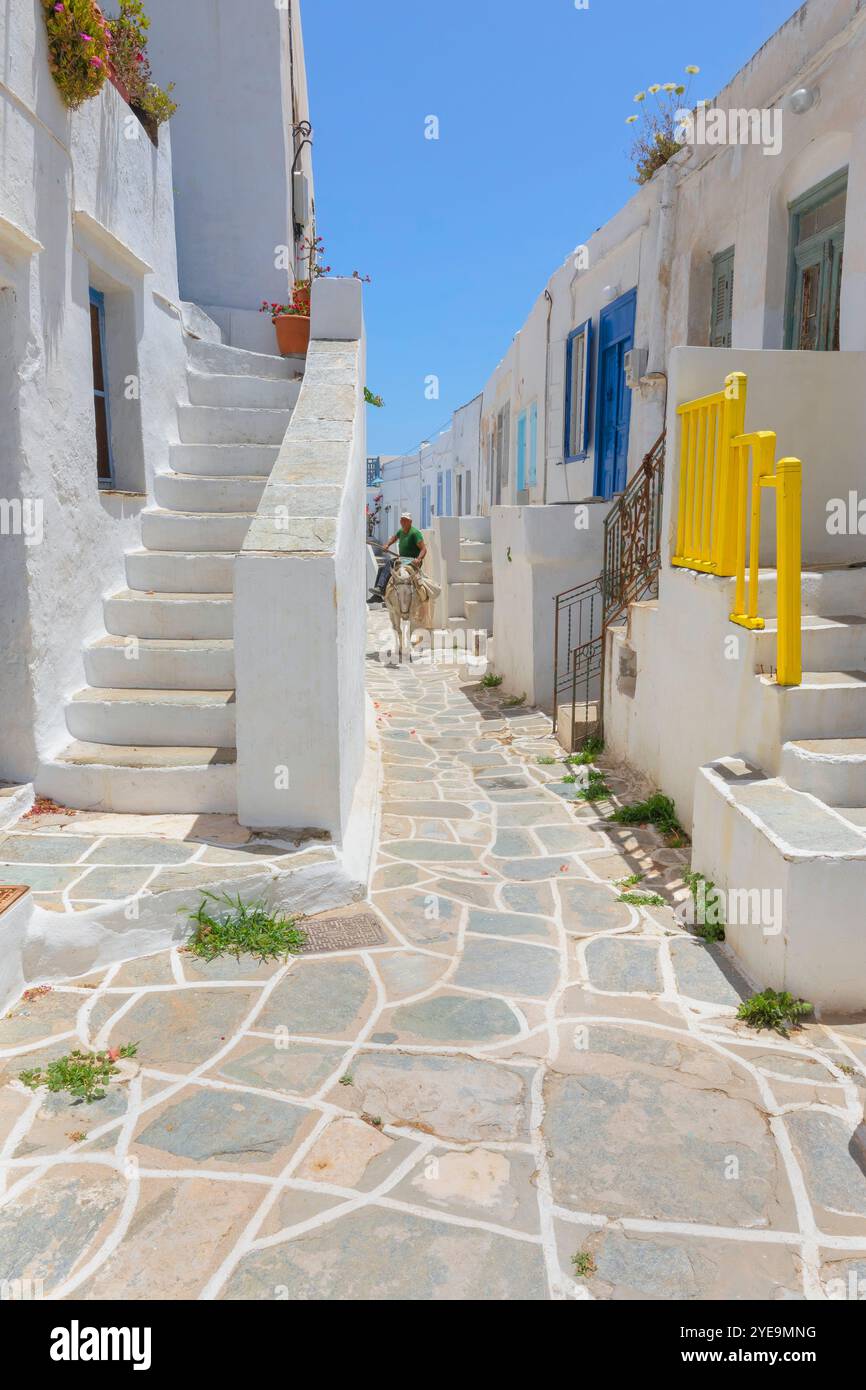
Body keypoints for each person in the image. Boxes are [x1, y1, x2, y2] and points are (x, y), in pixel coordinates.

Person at [372, 512, 427, 599]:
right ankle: (377, 594)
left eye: (405, 520)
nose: (403, 522)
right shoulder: (401, 531)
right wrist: (387, 545)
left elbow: (423, 549)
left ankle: (381, 589)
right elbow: (394, 538)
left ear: (410, 522)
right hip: (402, 559)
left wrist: (419, 559)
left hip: (412, 560)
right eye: (402, 520)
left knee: (390, 563)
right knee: (382, 569)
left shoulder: (415, 533)